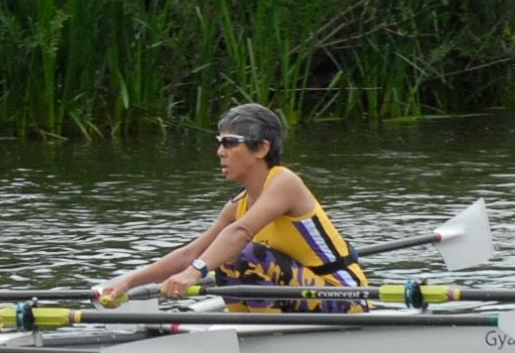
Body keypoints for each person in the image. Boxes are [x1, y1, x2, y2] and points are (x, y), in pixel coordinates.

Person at [92, 103, 368, 313]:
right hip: (304, 293)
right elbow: (190, 253)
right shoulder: (238, 204)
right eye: (219, 143)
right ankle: (250, 328)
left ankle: (265, 336)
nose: (220, 152)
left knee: (247, 254)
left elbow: (241, 232)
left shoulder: (285, 182)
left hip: (343, 295)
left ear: (260, 148)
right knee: (223, 257)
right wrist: (128, 282)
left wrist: (193, 274)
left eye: (229, 143)